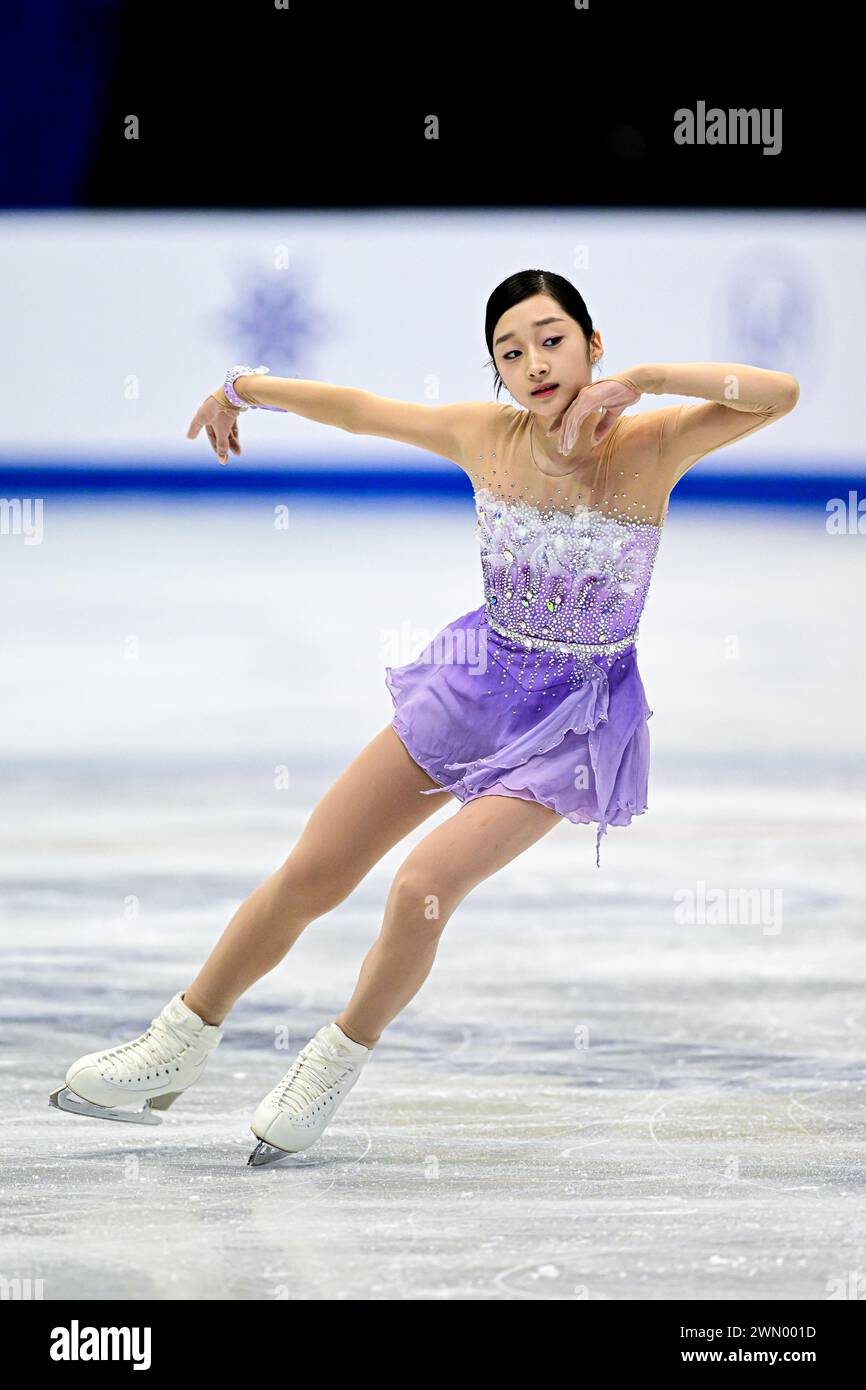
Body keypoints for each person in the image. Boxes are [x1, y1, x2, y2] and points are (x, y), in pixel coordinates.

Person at [49, 269, 800, 1165]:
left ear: (592, 345)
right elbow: (359, 411)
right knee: (314, 872)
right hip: (475, 683)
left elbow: (779, 394)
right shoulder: (487, 435)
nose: (535, 364)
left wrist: (649, 378)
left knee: (420, 888)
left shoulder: (652, 443)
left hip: (573, 724)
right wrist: (240, 389)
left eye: (552, 339)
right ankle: (178, 1040)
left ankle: (334, 1060)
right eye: (510, 353)